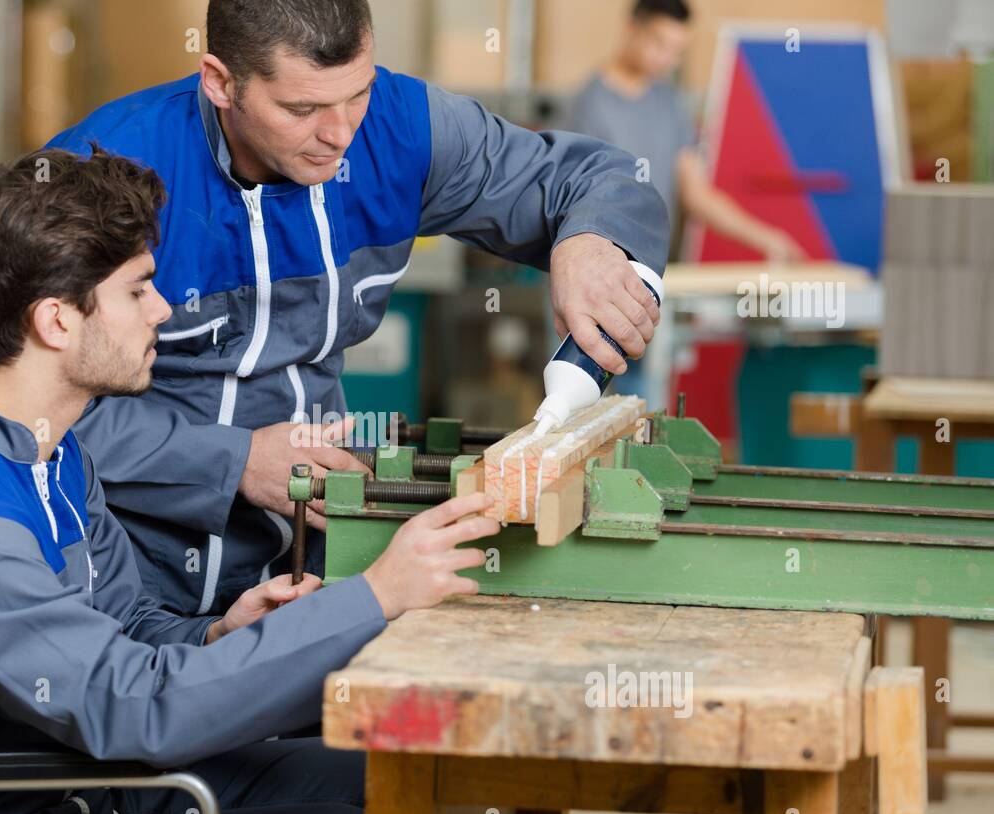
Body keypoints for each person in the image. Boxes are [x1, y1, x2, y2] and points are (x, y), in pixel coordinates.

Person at [0, 146, 499, 814]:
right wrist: (375, 597)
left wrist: (217, 636)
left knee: (394, 777)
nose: (163, 312)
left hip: (65, 778)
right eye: (137, 291)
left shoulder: (48, 454)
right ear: (57, 322)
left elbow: (128, 627)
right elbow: (134, 706)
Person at [47, 0, 670, 616]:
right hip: (125, 579)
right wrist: (230, 461)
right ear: (220, 82)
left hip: (315, 568)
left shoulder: (401, 130)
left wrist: (591, 240)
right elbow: (21, 408)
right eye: (302, 109)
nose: (341, 134)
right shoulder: (102, 173)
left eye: (357, 94)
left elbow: (593, 178)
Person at [566, 0, 806, 261]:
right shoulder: (587, 105)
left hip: (650, 269)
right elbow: (576, 203)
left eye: (678, 51)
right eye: (660, 44)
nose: (668, 59)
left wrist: (768, 238)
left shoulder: (671, 105)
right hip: (596, 269)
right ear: (631, 28)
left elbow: (696, 194)